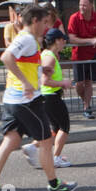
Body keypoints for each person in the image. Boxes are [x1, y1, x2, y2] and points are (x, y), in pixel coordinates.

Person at [0, 4, 78, 191]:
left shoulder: (29, 40)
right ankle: (54, 184)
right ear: (34, 21)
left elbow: (24, 63)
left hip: (14, 100)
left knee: (10, 141)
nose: (45, 27)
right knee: (46, 141)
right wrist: (25, 82)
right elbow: (6, 57)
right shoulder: (26, 38)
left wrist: (40, 74)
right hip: (26, 102)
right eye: (43, 22)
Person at [33, 27, 73, 167]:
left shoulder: (46, 54)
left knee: (55, 128)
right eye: (63, 40)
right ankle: (55, 157)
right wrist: (63, 83)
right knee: (64, 126)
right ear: (56, 41)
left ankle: (32, 146)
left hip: (47, 96)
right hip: (51, 97)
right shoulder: (49, 57)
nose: (64, 43)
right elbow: (45, 81)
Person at [67, 0, 96, 119]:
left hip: (93, 54)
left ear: (91, 5)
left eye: (84, 5)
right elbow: (72, 38)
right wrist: (90, 41)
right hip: (78, 55)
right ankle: (85, 102)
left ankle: (87, 107)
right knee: (79, 84)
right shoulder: (74, 18)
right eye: (80, 5)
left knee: (89, 82)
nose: (82, 7)